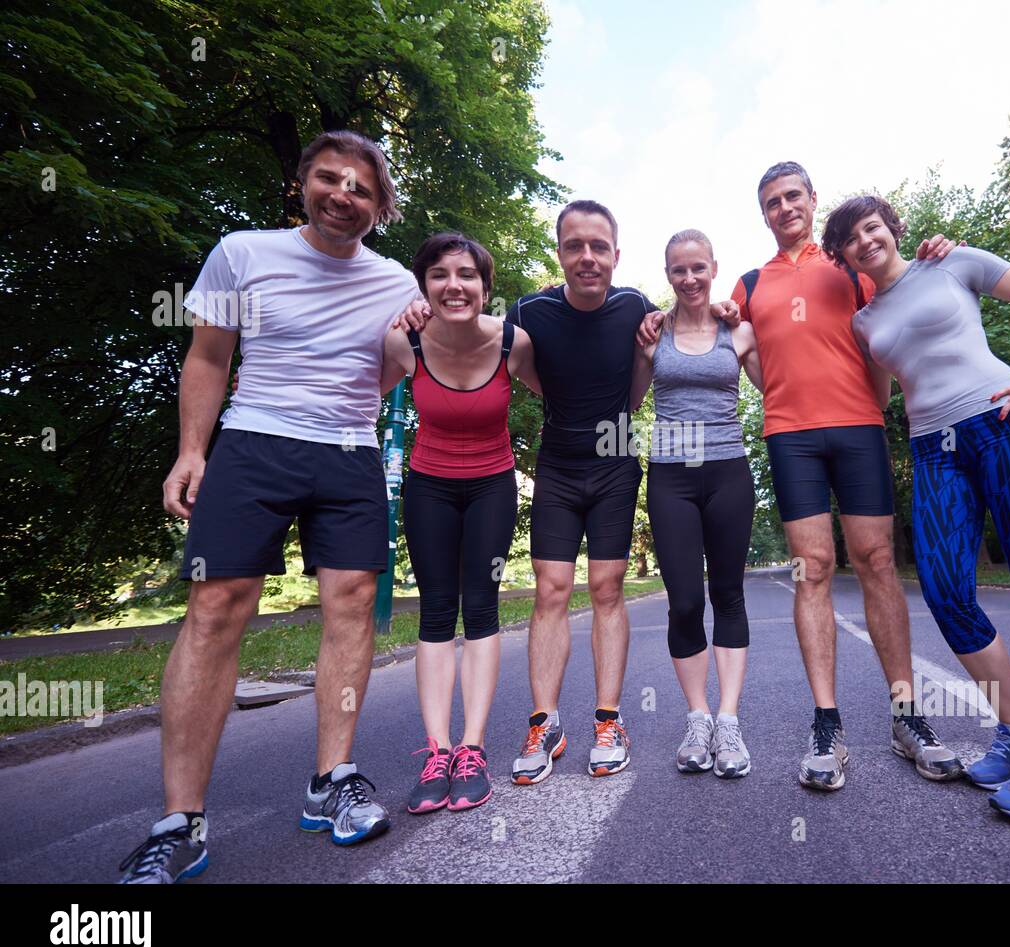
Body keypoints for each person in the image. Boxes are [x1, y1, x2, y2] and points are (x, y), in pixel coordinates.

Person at [119, 130, 420, 883]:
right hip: (253, 442)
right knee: (217, 607)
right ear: (303, 183)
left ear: (380, 206)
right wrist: (193, 451)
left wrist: (392, 354)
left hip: (348, 452)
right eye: (329, 178)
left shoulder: (397, 285)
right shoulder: (242, 251)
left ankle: (333, 780)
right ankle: (179, 821)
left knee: (350, 605)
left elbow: (388, 377)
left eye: (360, 187)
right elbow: (208, 355)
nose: (342, 194)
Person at [642, 162, 963, 792]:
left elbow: (904, 295)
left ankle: (907, 718)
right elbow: (722, 342)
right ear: (762, 214)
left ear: (813, 200)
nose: (784, 207)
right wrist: (651, 321)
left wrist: (937, 254)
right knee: (811, 569)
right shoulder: (749, 283)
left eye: (793, 196)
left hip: (859, 432)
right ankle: (826, 723)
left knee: (874, 561)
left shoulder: (850, 265)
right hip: (790, 438)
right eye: (771, 202)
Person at [822, 193, 1010, 825]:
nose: (866, 241)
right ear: (845, 257)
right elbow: (879, 393)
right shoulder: (864, 323)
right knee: (947, 592)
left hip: (1008, 423)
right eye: (851, 239)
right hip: (934, 450)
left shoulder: (954, 263)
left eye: (873, 228)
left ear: (892, 229)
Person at [504, 200, 731, 785]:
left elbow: (691, 322)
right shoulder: (530, 311)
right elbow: (515, 367)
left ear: (615, 255)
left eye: (598, 247)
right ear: (559, 253)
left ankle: (609, 720)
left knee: (606, 587)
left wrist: (734, 305)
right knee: (550, 590)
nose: (587, 257)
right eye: (574, 246)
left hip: (613, 466)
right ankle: (545, 722)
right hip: (555, 467)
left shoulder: (635, 308)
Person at [381, 232, 540, 814]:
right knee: (435, 610)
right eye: (441, 275)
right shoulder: (404, 343)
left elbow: (571, 392)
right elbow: (350, 393)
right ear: (423, 286)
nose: (455, 285)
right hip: (430, 488)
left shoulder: (513, 344)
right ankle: (437, 750)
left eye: (468, 274)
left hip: (494, 486)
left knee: (482, 607)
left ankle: (472, 749)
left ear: (485, 287)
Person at [629, 229, 763, 778]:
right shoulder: (652, 332)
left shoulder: (740, 330)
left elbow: (774, 386)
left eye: (698, 268)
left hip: (728, 471)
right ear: (667, 275)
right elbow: (633, 400)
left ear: (713, 269)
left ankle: (729, 721)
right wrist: (641, 353)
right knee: (684, 600)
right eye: (679, 270)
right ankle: (698, 717)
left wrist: (746, 332)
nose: (689, 279)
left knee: (727, 593)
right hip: (670, 478)